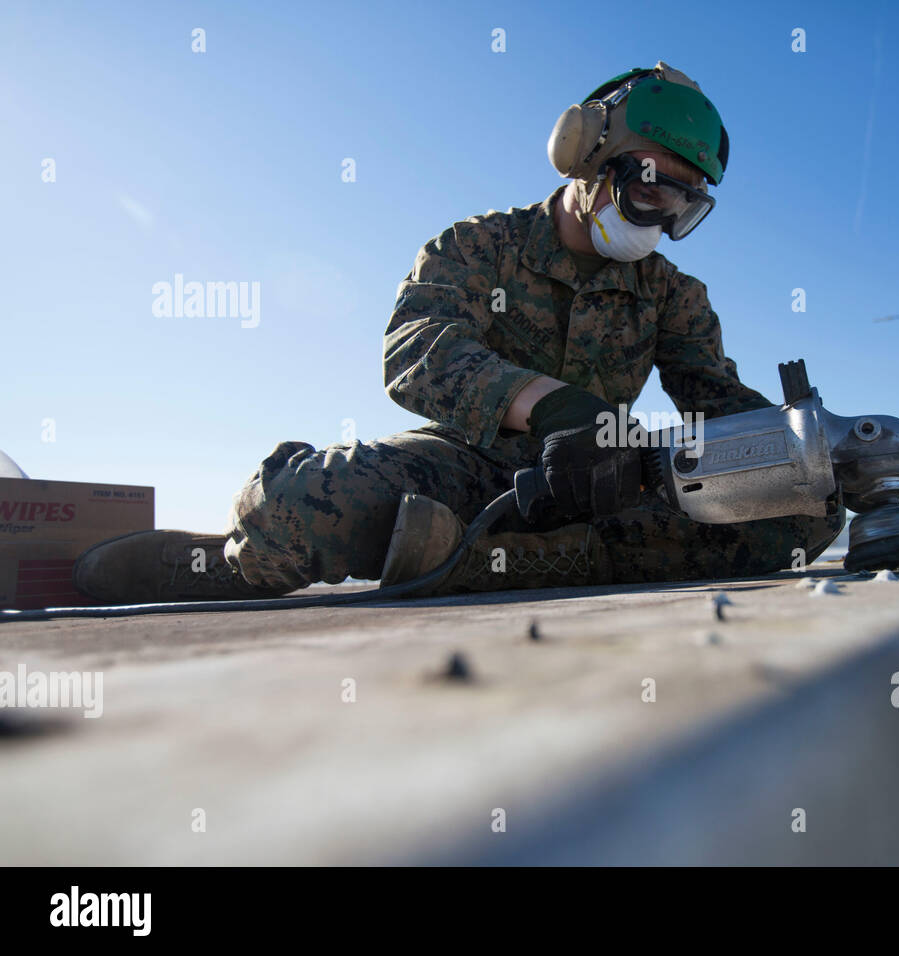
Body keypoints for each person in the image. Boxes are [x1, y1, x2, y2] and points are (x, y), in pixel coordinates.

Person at [75, 62, 844, 604]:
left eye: (685, 207)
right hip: (475, 469)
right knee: (309, 499)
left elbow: (717, 406)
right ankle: (234, 565)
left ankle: (462, 559)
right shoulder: (479, 248)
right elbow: (414, 349)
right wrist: (546, 406)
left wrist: (816, 451)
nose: (662, 221)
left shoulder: (676, 296)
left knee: (805, 514)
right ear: (590, 153)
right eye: (652, 187)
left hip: (607, 484)